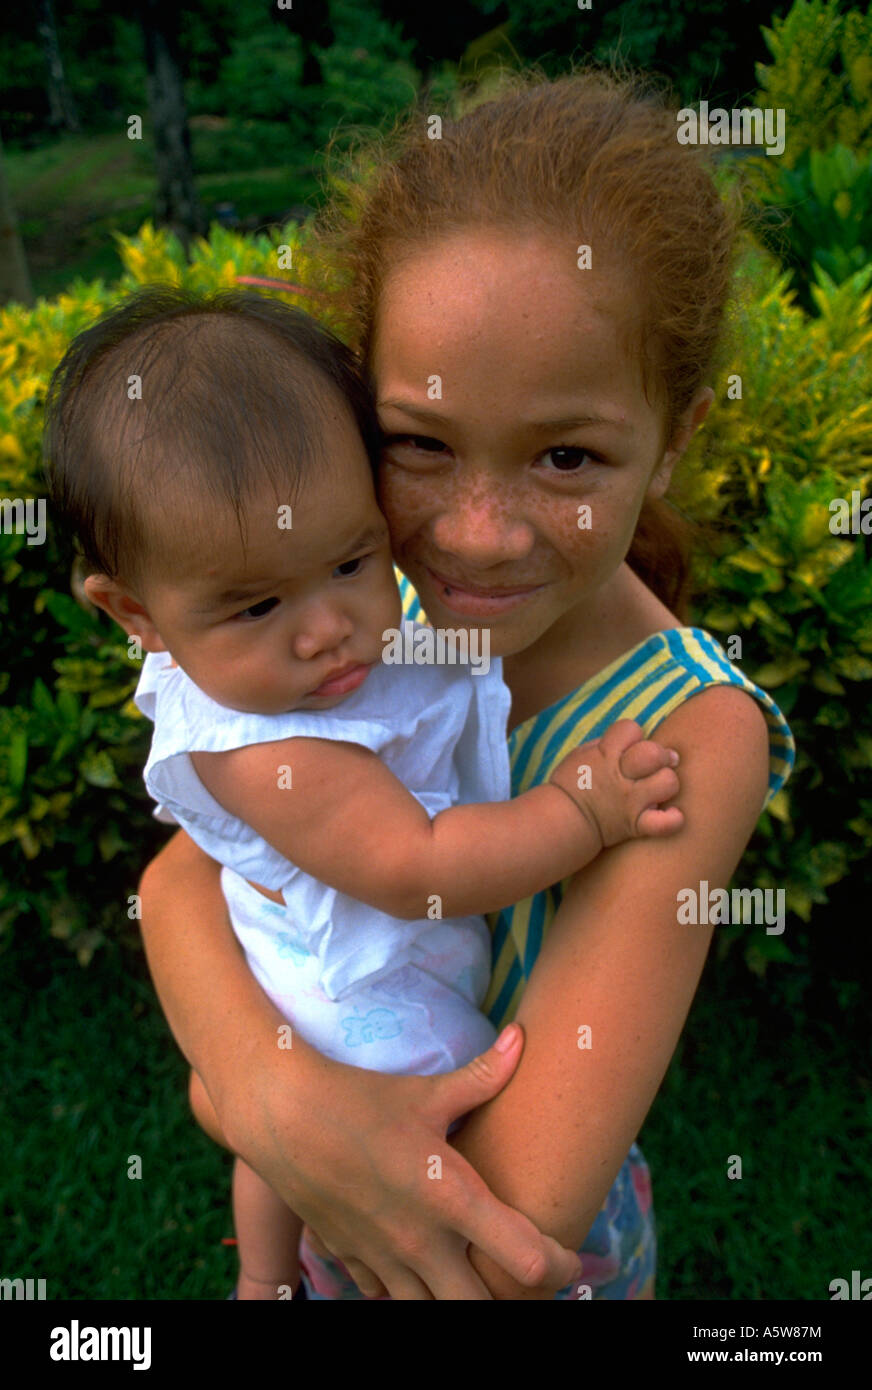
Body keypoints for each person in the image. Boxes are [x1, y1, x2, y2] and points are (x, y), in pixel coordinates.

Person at [135, 67, 795, 1300]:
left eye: (565, 455)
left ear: (678, 437)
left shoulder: (686, 738)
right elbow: (182, 874)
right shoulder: (361, 598)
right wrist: (273, 1091)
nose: (477, 535)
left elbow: (510, 1221)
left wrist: (242, 1089)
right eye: (418, 444)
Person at [43, 287, 685, 1301]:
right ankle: (268, 1274)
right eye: (256, 604)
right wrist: (580, 813)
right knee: (364, 1152)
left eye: (352, 560)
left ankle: (264, 1278)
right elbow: (412, 865)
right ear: (135, 613)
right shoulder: (260, 745)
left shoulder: (271, 658)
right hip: (367, 997)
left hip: (287, 990)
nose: (326, 630)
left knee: (279, 1150)